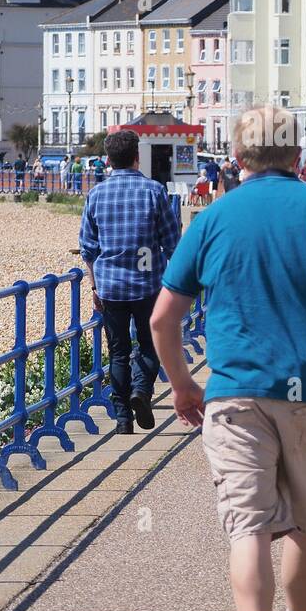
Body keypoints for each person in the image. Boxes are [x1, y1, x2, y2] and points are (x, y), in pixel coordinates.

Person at [150, 105, 306, 611]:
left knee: (248, 529)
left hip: (236, 390)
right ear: (298, 155)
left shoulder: (212, 219)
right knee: (303, 522)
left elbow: (163, 319)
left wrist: (183, 386)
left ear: (235, 157)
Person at [79, 130, 181, 434]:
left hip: (111, 286)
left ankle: (123, 418)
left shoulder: (96, 194)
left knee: (119, 350)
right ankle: (141, 391)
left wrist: (94, 285)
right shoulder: (154, 191)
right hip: (148, 286)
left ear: (108, 160)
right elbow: (172, 242)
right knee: (150, 345)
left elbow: (88, 247)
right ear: (137, 157)